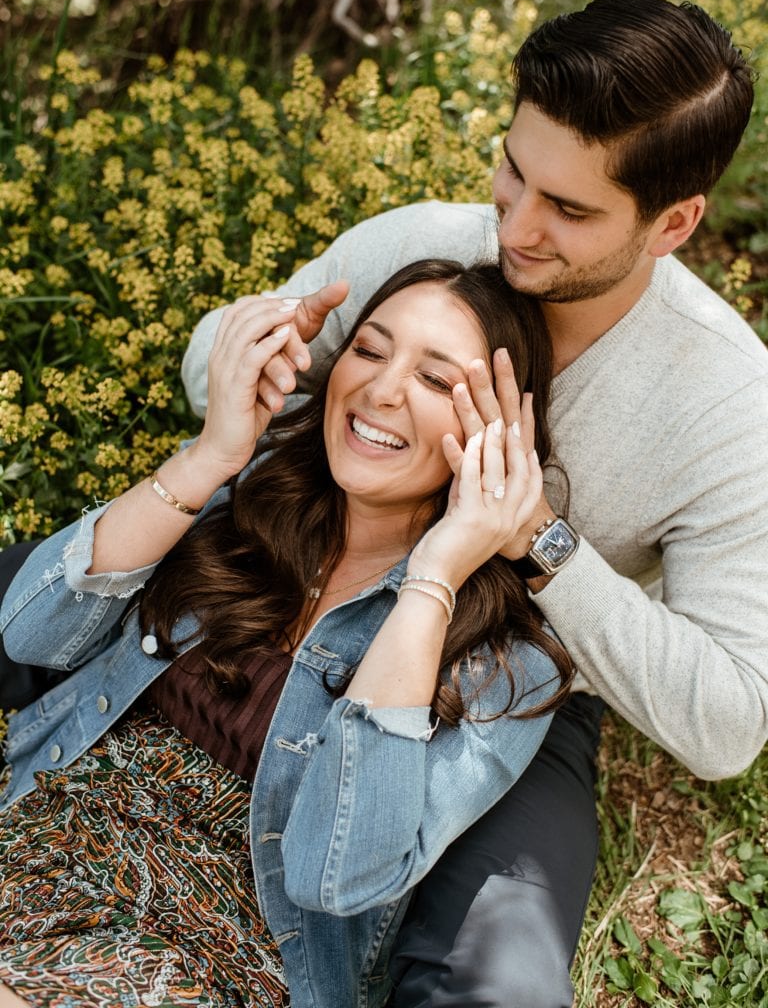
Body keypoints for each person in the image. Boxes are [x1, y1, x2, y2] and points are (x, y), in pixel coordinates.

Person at [178, 0, 768, 1007]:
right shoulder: (419, 247)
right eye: (513, 168)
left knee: (497, 980)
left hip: (504, 682)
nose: (515, 227)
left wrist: (537, 535)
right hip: (292, 578)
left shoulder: (726, 404)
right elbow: (224, 364)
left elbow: (724, 725)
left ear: (673, 223)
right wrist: (243, 364)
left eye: (570, 210)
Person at [0, 260, 573, 1008]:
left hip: (229, 944)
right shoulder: (251, 499)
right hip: (49, 837)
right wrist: (213, 456)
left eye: (437, 382)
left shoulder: (505, 666)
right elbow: (30, 634)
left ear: (500, 440)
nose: (381, 389)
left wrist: (433, 574)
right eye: (369, 350)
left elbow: (334, 875)